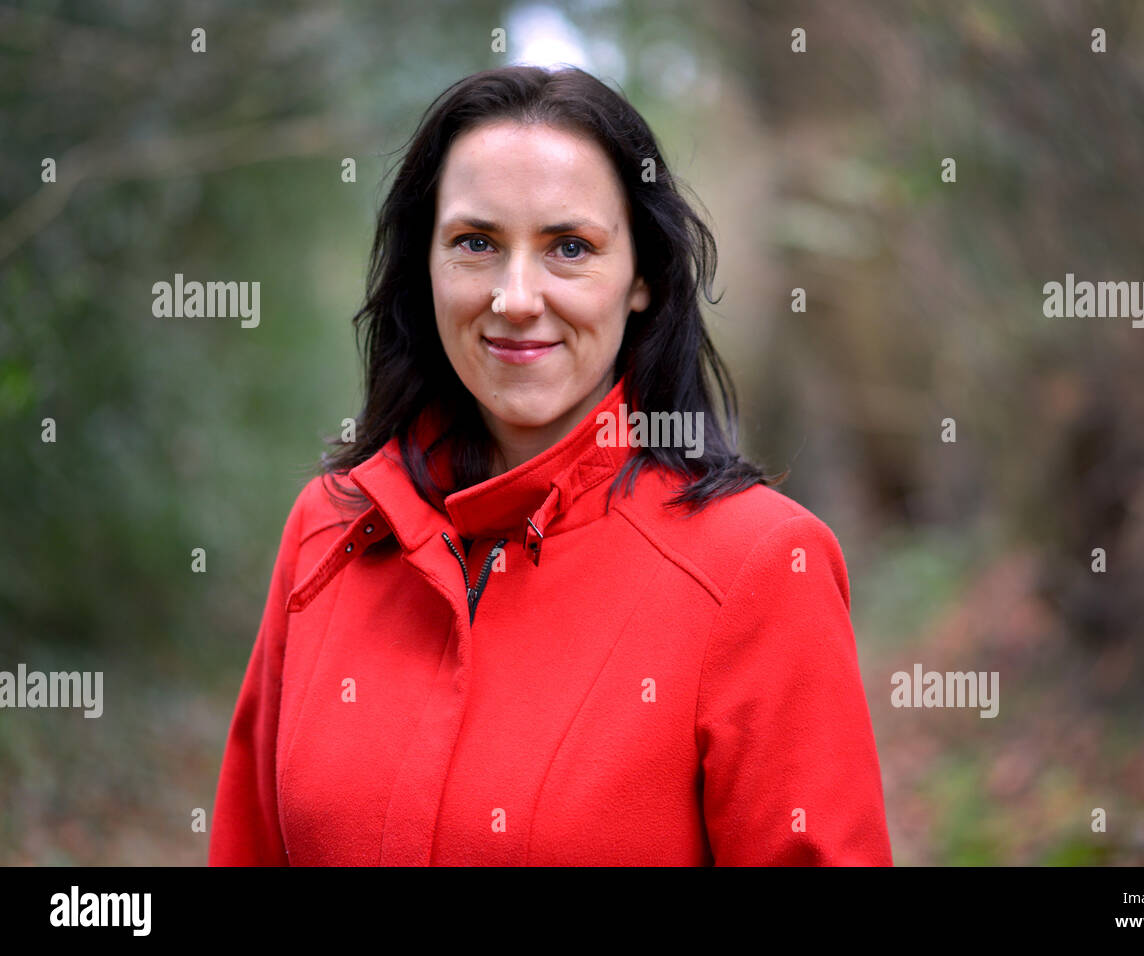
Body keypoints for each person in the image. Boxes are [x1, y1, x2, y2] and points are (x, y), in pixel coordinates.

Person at [208, 65, 892, 866]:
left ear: (642, 277)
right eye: (476, 243)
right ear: (423, 265)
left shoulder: (761, 568)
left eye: (569, 247)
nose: (516, 297)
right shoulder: (329, 531)